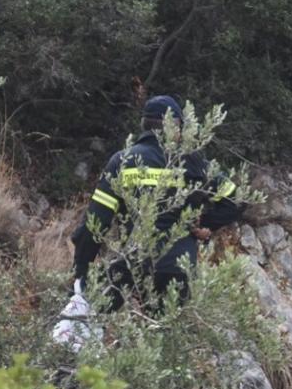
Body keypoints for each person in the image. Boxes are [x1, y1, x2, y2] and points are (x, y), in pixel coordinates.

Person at [69, 94, 242, 314]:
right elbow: (236, 199)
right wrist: (205, 223)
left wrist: (80, 274)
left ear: (143, 125)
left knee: (91, 318)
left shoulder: (122, 162)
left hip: (133, 264)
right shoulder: (194, 164)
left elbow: (95, 224)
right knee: (163, 329)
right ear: (177, 127)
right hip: (178, 268)